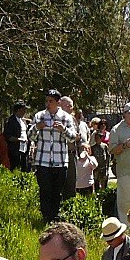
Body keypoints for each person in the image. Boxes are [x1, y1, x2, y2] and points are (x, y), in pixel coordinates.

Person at [31, 90, 77, 223]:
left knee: (57, 192)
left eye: (50, 101)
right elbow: (30, 136)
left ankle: (55, 218)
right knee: (45, 190)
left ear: (58, 103)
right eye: (46, 101)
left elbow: (73, 138)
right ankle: (45, 218)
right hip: (43, 160)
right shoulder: (39, 116)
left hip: (60, 161)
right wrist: (36, 128)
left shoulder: (66, 118)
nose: (47, 104)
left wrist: (64, 130)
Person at [4, 102, 29, 171]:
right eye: (23, 110)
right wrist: (19, 140)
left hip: (24, 148)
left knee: (24, 167)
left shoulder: (23, 121)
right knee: (14, 167)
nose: (24, 112)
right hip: (15, 149)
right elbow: (8, 137)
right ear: (18, 110)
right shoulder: (11, 121)